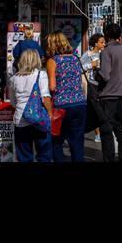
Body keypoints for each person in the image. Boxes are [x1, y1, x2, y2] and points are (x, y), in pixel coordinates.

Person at [95, 22, 122, 161]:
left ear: (106, 36)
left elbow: (105, 75)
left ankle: (109, 159)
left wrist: (96, 74)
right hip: (121, 96)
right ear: (119, 36)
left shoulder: (106, 51)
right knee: (121, 130)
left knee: (106, 132)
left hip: (107, 97)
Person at [45, 31, 88, 162]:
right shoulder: (75, 58)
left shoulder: (53, 61)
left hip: (61, 106)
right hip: (80, 104)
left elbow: (52, 87)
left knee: (57, 142)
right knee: (77, 143)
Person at [9, 48, 53, 161]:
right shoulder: (41, 75)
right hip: (39, 119)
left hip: (21, 120)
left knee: (24, 156)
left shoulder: (13, 79)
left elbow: (13, 102)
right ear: (37, 60)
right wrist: (50, 114)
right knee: (44, 154)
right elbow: (45, 97)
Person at [81, 33, 106, 144]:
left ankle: (102, 131)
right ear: (96, 43)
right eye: (101, 42)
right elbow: (79, 68)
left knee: (101, 109)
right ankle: (97, 134)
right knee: (95, 110)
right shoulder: (87, 54)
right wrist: (91, 65)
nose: (104, 44)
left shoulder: (104, 54)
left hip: (103, 85)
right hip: (92, 85)